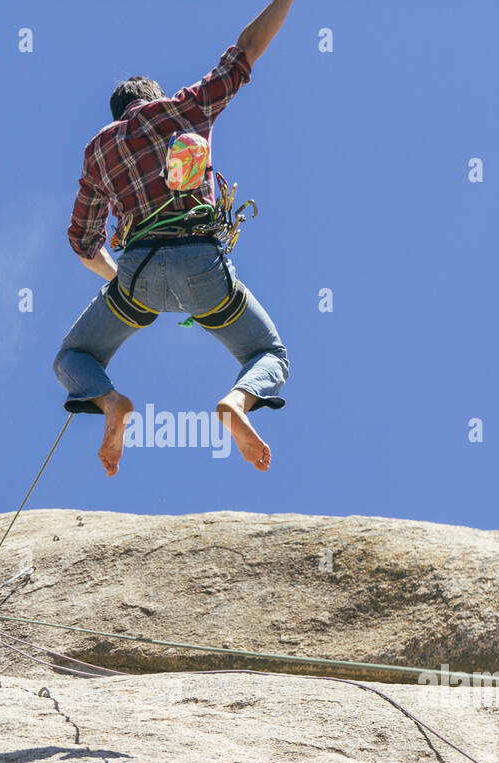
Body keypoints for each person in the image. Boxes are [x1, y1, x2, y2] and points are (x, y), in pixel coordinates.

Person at [53, 0, 294, 476]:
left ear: (118, 110)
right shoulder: (181, 108)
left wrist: (121, 273)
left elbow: (82, 241)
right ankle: (235, 404)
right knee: (268, 355)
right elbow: (246, 51)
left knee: (72, 358)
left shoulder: (98, 150)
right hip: (202, 265)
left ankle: (112, 403)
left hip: (137, 276)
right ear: (153, 96)